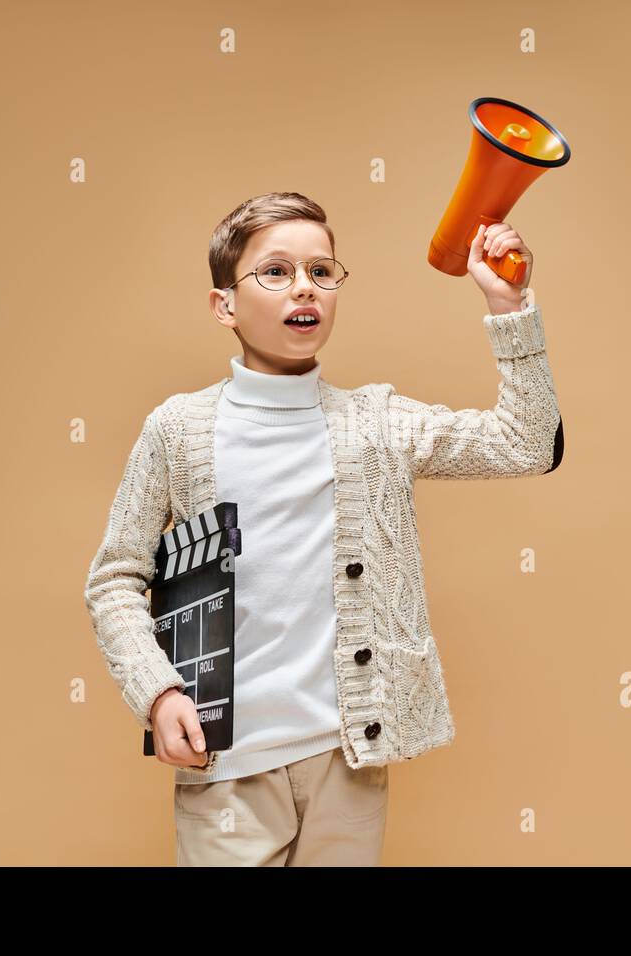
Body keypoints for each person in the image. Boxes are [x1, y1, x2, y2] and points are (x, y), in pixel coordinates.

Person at [85, 191, 563, 865]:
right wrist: (158, 692)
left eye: (322, 270)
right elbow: (114, 578)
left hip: (348, 764)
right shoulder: (178, 430)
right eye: (275, 272)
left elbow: (527, 442)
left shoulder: (378, 423)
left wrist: (508, 307)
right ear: (224, 305)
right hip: (227, 769)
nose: (303, 286)